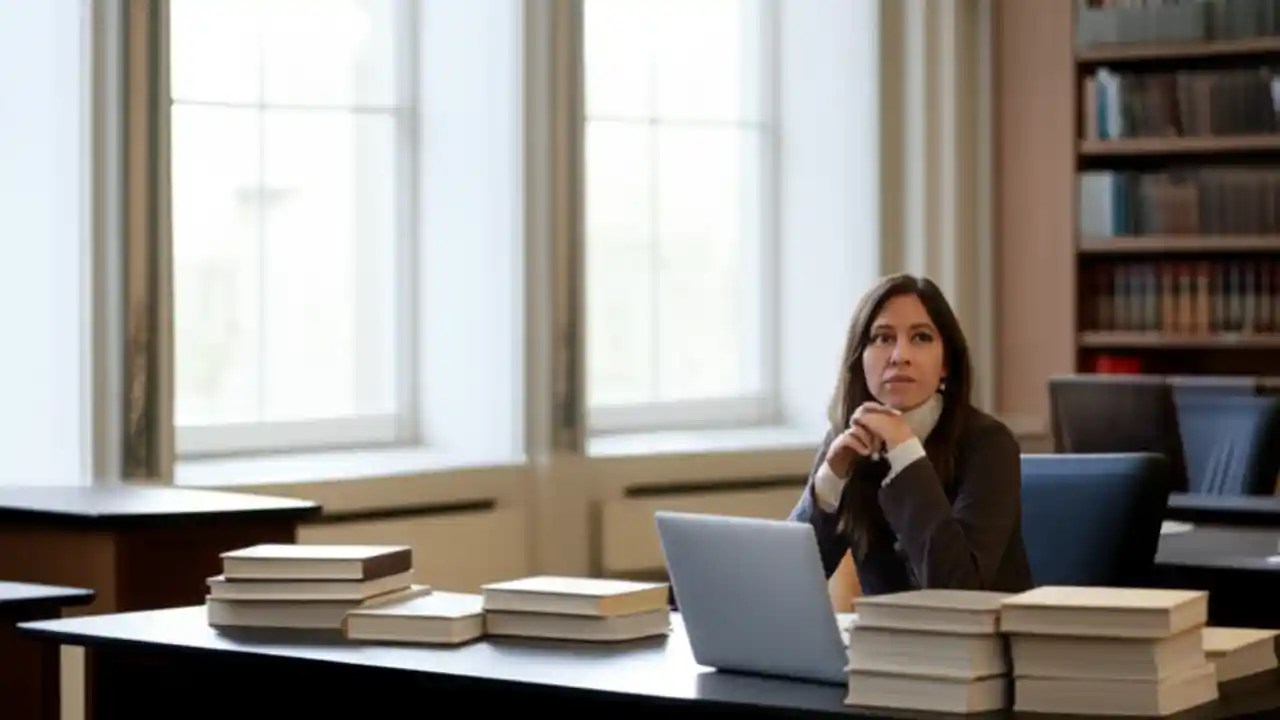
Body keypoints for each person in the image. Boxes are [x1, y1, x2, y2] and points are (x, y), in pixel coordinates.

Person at [789, 273, 1033, 595]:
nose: (900, 355)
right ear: (859, 358)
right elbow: (787, 582)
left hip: (979, 642)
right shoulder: (846, 439)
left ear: (946, 362)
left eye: (921, 338)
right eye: (882, 338)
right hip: (885, 642)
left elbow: (959, 589)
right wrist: (829, 481)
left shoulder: (989, 445)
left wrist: (905, 451)